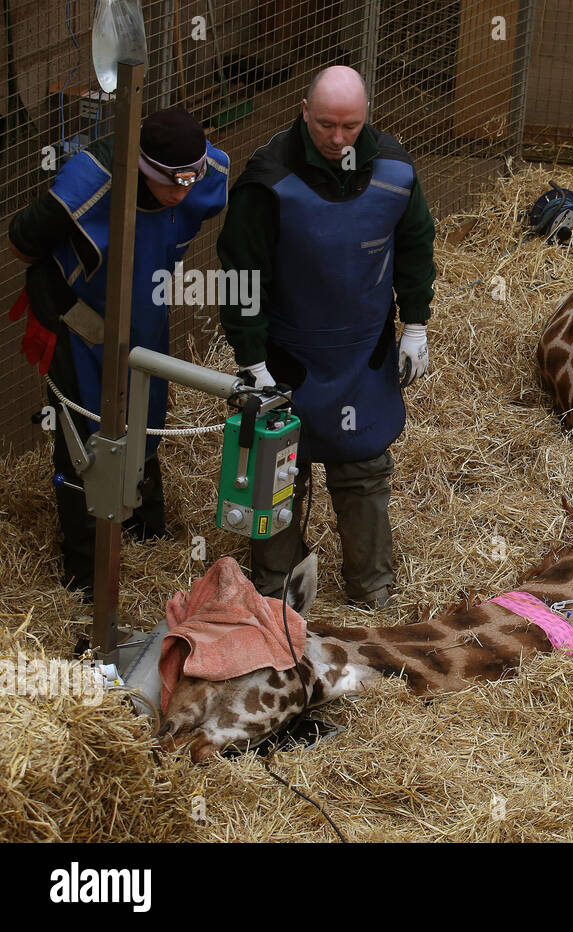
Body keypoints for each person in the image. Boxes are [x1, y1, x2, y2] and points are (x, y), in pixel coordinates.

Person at [217, 65, 436, 607]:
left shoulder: (395, 172)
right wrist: (252, 359)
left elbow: (415, 246)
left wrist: (415, 324)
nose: (338, 140)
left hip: (363, 350)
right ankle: (275, 593)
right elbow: (242, 275)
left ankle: (372, 588)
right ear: (303, 109)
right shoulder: (267, 182)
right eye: (325, 126)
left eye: (350, 127)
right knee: (277, 470)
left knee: (362, 465)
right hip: (288, 352)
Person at [7, 107, 229, 596]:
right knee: (81, 436)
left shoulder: (206, 174)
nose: (184, 192)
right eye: (171, 184)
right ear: (143, 170)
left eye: (191, 180)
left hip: (144, 308)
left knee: (147, 412)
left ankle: (145, 533)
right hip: (81, 318)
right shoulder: (91, 184)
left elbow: (201, 184)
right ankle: (85, 569)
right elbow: (22, 243)